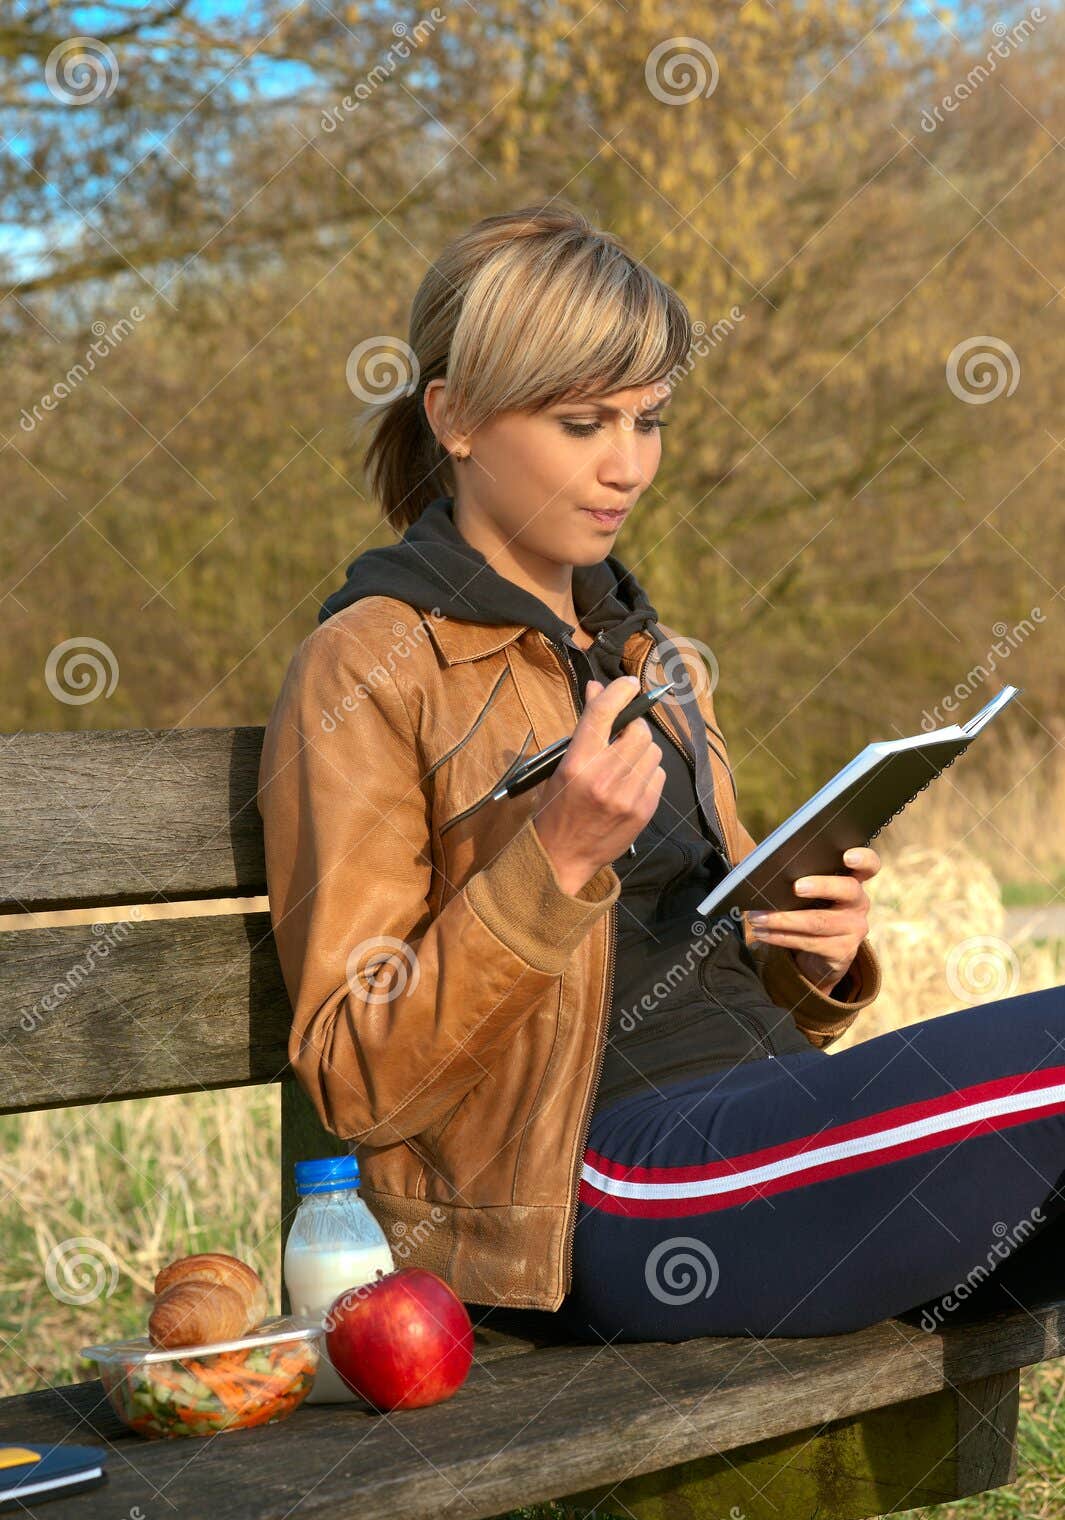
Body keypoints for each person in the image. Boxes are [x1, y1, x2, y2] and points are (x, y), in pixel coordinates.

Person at [257, 201, 1065, 1344]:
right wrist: (553, 863)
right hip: (602, 1192)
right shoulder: (373, 665)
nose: (627, 464)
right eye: (584, 420)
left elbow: (703, 972)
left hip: (756, 1129)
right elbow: (355, 1077)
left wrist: (814, 959)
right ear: (457, 418)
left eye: (649, 419)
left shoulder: (655, 657)